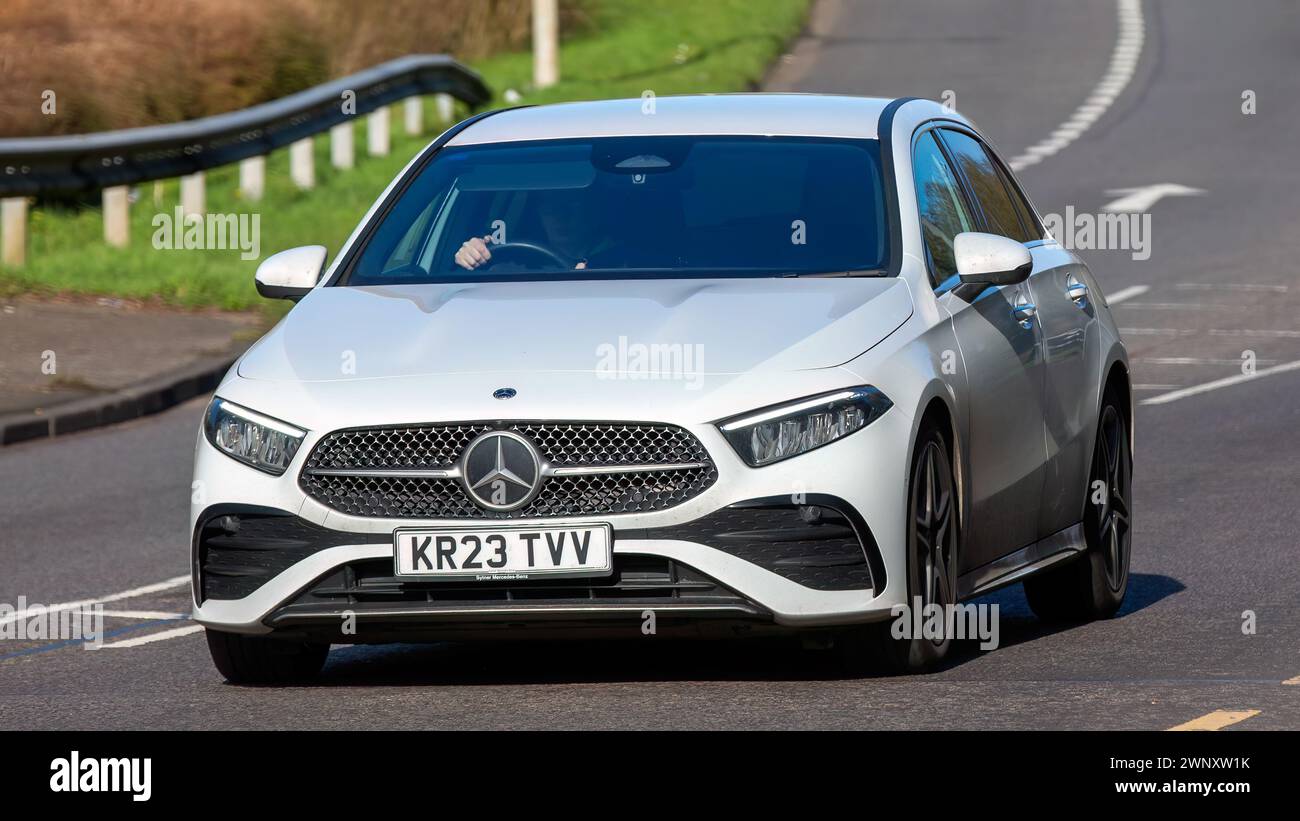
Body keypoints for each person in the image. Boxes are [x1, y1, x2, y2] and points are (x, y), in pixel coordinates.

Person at [454, 187, 618, 270]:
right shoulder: (515, 262)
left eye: (571, 205)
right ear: (539, 215)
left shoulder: (626, 261)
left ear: (591, 210)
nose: (560, 217)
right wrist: (469, 257)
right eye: (550, 209)